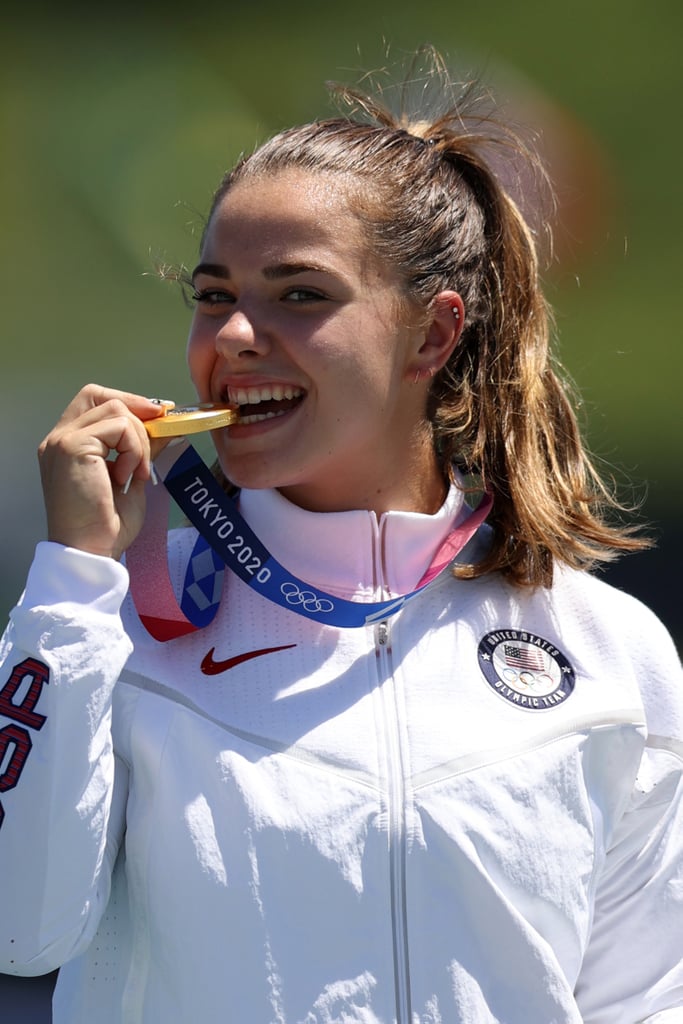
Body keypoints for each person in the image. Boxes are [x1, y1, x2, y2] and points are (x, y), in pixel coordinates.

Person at [0, 46, 681, 1024]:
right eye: (214, 295)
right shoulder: (106, 627)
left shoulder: (610, 653)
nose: (234, 337)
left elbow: (646, 998)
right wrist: (71, 579)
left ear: (431, 334)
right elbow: (18, 929)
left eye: (297, 294)